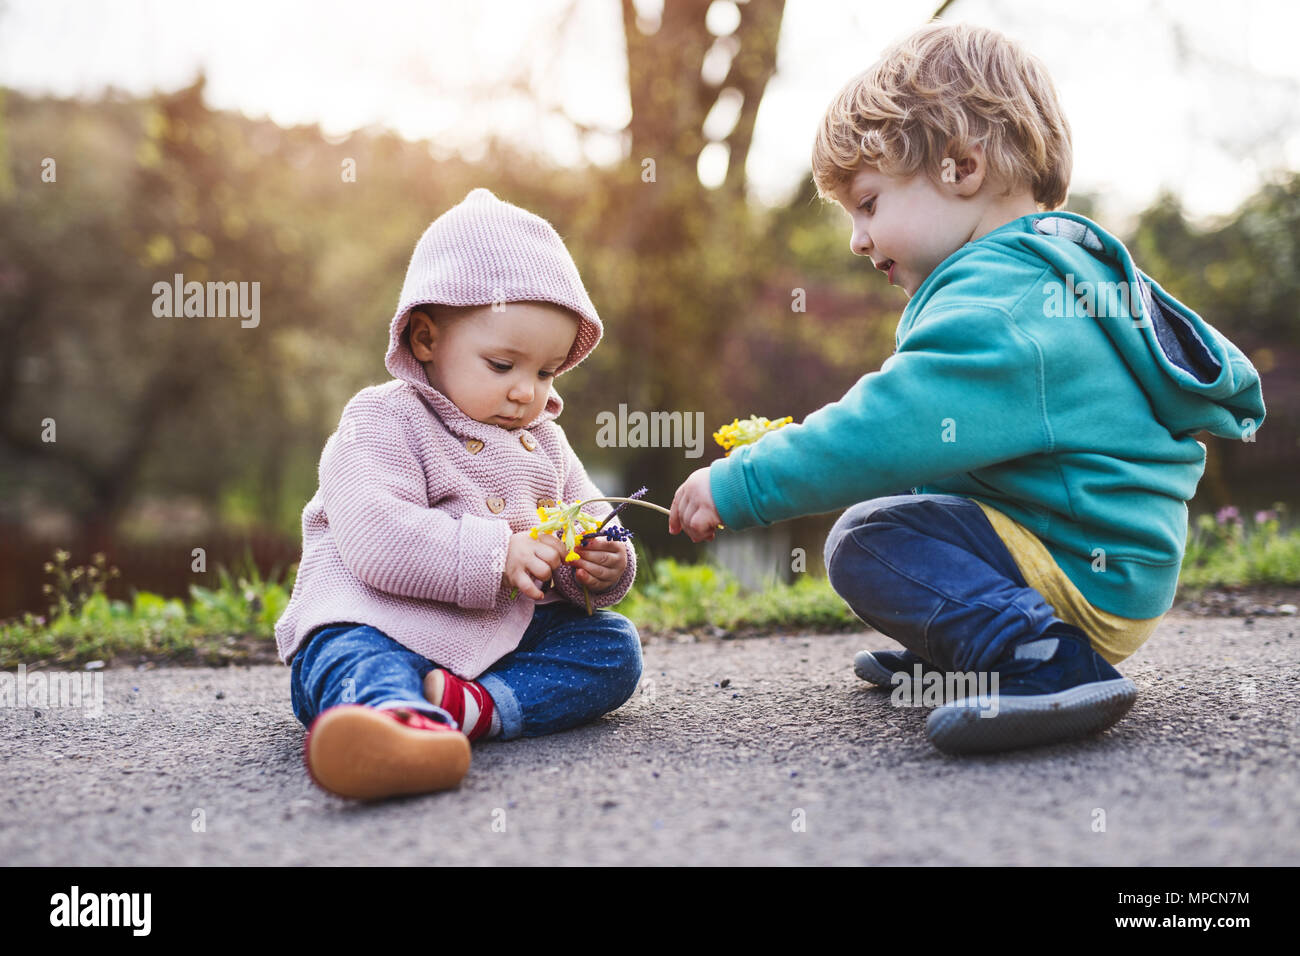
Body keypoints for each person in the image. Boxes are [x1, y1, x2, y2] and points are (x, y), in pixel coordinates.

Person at [668, 22, 1265, 754]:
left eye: (868, 203)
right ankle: (974, 646)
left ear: (961, 167)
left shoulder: (998, 307)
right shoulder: (1039, 275)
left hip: (1081, 571)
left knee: (868, 537)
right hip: (1094, 553)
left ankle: (1042, 658)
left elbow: (886, 428)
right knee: (915, 502)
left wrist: (745, 481)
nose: (856, 241)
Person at [276, 188, 642, 800]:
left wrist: (604, 564)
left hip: (494, 641)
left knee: (613, 648)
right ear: (425, 339)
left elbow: (592, 514)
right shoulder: (383, 419)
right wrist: (499, 552)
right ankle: (392, 724)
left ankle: (476, 708)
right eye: (503, 365)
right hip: (380, 621)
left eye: (546, 371)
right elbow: (375, 537)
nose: (527, 392)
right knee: (350, 655)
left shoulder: (543, 440)